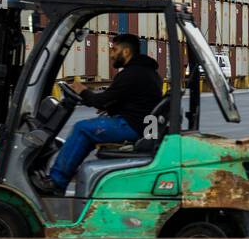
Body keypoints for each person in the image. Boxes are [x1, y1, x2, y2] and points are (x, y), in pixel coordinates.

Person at [33, 33, 163, 196]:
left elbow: (102, 100)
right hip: (142, 124)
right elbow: (128, 98)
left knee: (82, 128)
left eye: (114, 50)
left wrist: (83, 90)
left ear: (126, 51)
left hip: (133, 126)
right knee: (90, 130)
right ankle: (66, 173)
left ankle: (56, 181)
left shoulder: (132, 73)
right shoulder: (147, 72)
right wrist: (109, 106)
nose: (111, 54)